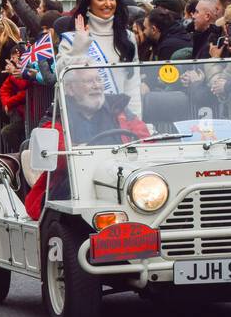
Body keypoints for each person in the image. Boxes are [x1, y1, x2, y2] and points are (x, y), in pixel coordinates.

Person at [24, 66, 148, 219]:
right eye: (89, 81)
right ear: (70, 88)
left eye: (98, 80)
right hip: (73, 187)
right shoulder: (57, 116)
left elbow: (145, 140)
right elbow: (60, 157)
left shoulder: (119, 110)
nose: (97, 85)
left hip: (125, 183)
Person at [53, 0, 140, 113]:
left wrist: (135, 120)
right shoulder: (73, 38)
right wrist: (79, 47)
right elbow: (60, 73)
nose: (108, 3)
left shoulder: (128, 37)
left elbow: (132, 85)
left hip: (118, 117)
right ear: (88, 3)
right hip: (83, 119)